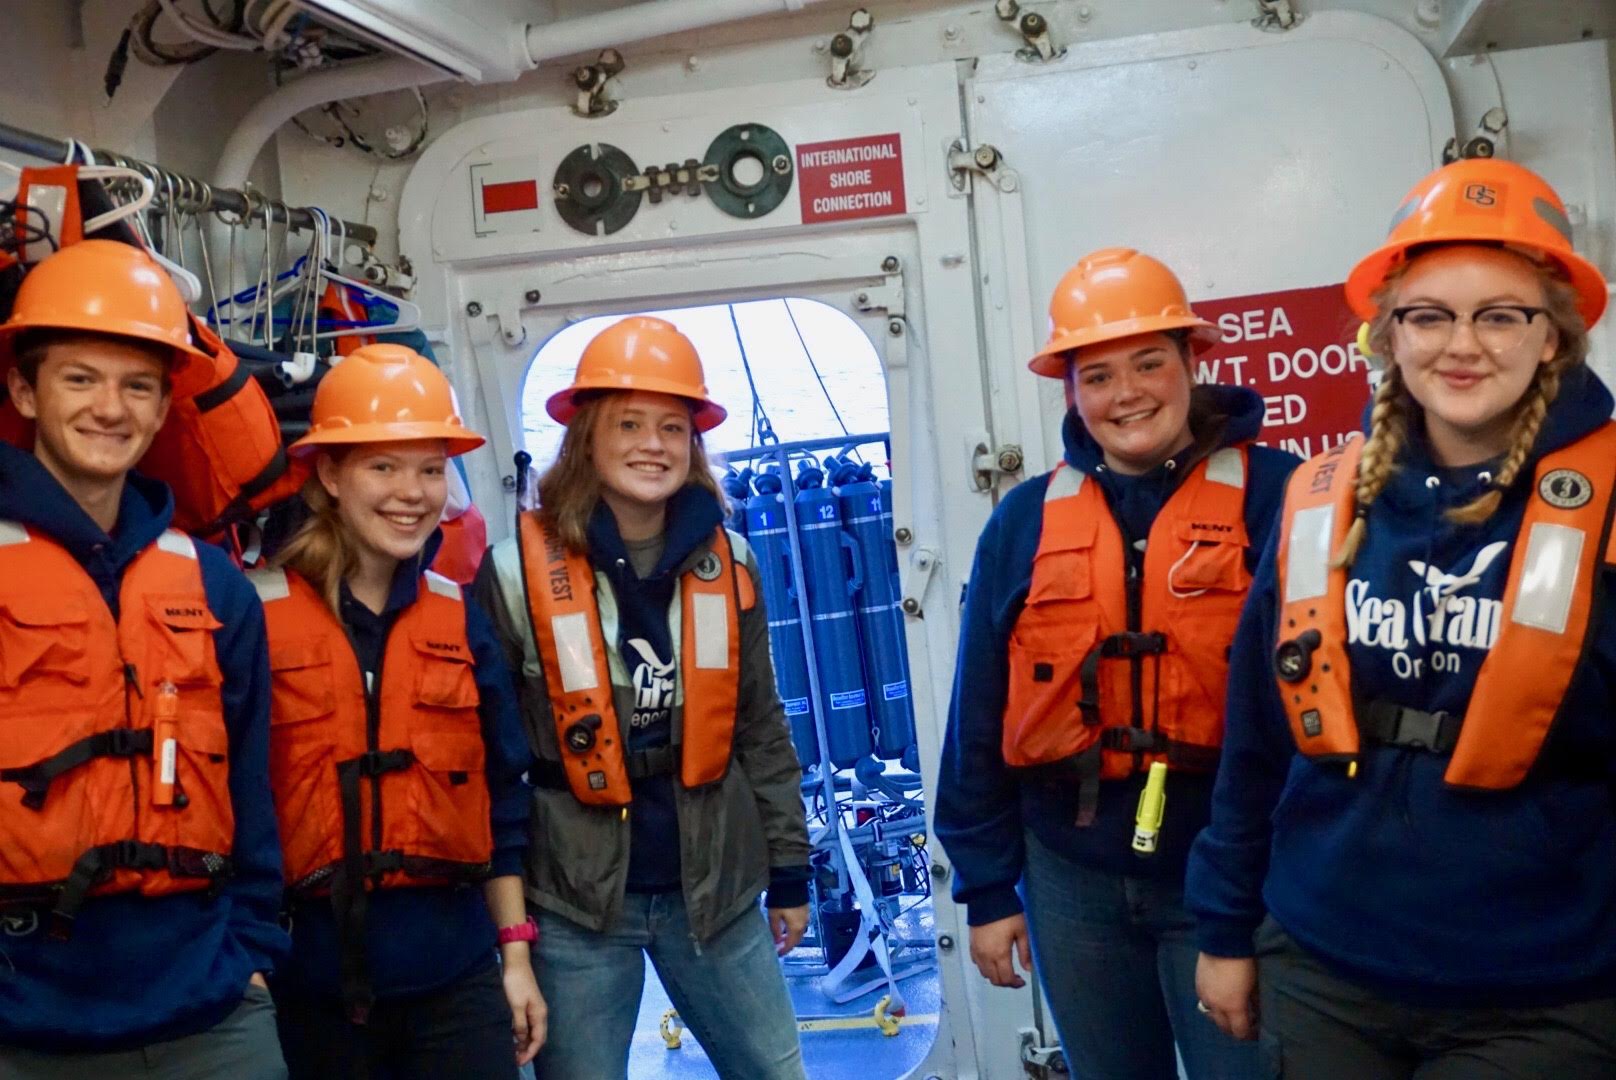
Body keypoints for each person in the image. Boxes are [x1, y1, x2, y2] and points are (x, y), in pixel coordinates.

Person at [1187, 158, 1616, 1078]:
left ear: (1553, 338)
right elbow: (1255, 745)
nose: (1463, 344)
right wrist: (1225, 927)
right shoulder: (1318, 502)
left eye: (1501, 313)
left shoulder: (1612, 505)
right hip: (1322, 967)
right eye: (1429, 314)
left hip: (1546, 995)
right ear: (1388, 335)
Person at [935, 248, 1298, 1079]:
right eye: (1096, 375)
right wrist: (988, 890)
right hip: (1071, 882)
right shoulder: (1024, 520)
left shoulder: (1282, 498)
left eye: (1147, 363)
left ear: (1192, 362)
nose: (1125, 392)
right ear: (1071, 390)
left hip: (1236, 874)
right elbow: (976, 719)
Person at [473, 315, 812, 1080]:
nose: (652, 445)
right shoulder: (511, 578)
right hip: (574, 905)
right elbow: (491, 765)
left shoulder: (735, 564)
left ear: (694, 445)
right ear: (586, 436)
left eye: (672, 427)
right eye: (628, 424)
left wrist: (790, 867)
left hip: (715, 894)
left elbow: (761, 727)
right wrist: (510, 930)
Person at [0, 239, 290, 1077]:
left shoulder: (216, 586)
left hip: (211, 1013)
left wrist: (254, 951)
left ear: (166, 408)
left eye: (137, 386)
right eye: (80, 379)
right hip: (23, 1023)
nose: (110, 409)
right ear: (25, 390)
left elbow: (252, 792)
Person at [252, 344, 543, 1078]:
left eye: (430, 468)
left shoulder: (461, 618)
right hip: (309, 990)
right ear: (329, 474)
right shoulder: (256, 617)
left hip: (457, 982)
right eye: (383, 466)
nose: (411, 492)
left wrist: (515, 954)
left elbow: (501, 797)